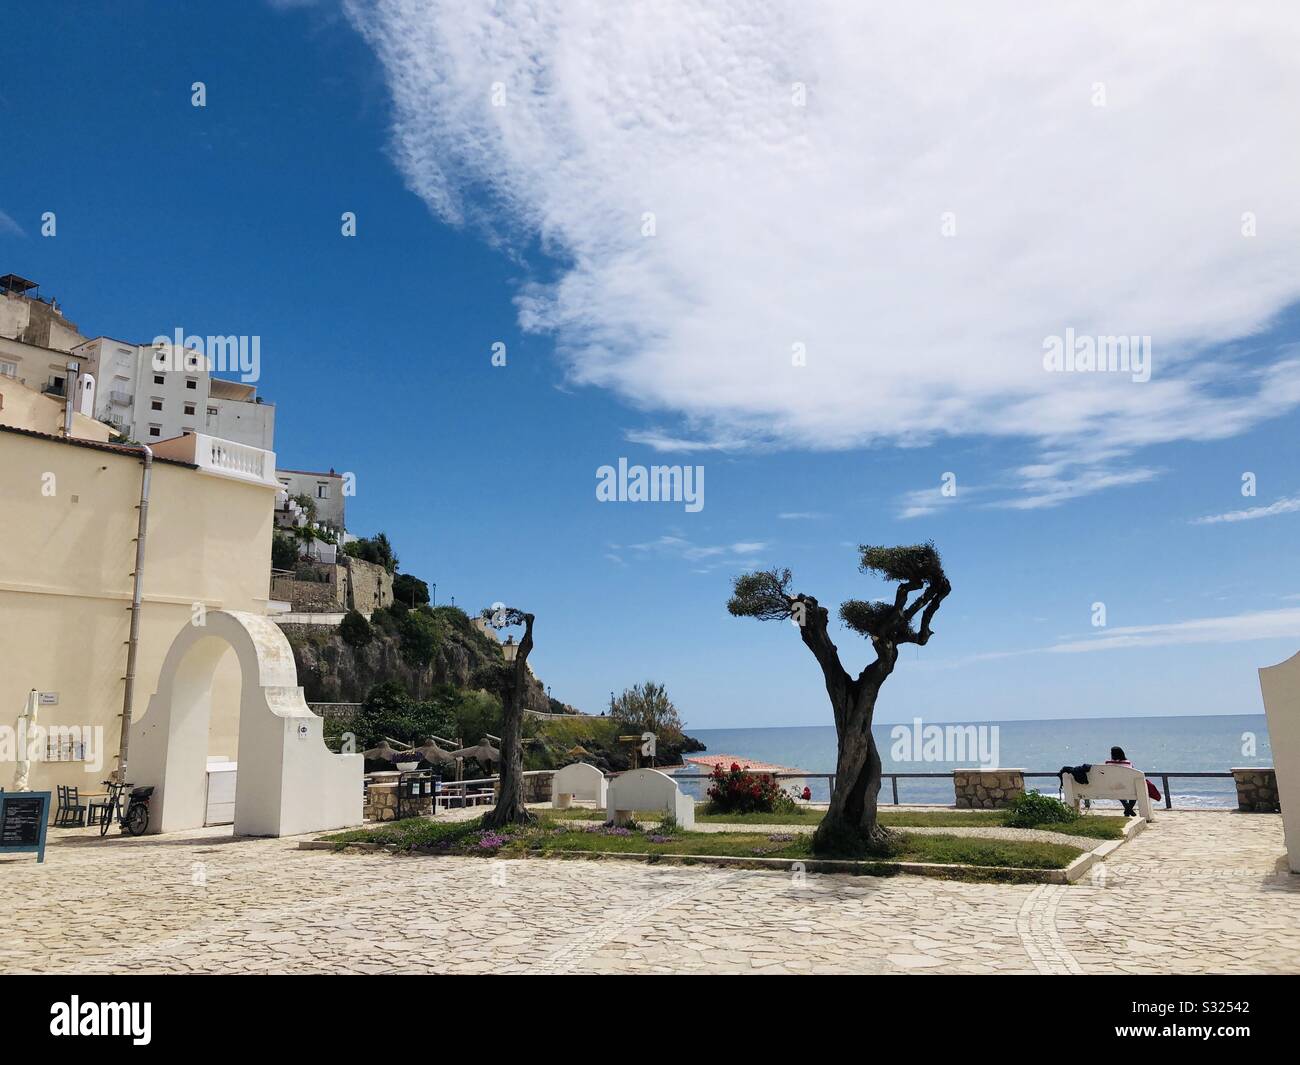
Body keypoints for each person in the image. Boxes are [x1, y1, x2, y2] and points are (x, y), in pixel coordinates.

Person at [1106, 746, 1160, 816]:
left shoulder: (1107, 763)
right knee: (1136, 791)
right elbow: (1134, 775)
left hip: (1114, 787)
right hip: (1129, 788)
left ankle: (1127, 809)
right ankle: (1128, 809)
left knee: (1118, 790)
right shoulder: (1128, 763)